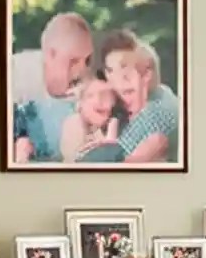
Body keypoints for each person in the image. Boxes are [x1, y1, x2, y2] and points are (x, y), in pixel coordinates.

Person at [12, 13, 94, 163]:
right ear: (50, 54)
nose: (82, 69)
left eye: (87, 60)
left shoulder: (90, 88)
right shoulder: (15, 75)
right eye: (74, 61)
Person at [96, 29, 179, 163]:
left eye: (126, 68)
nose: (118, 79)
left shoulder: (156, 114)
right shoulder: (163, 94)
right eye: (110, 71)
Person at [59, 78, 122, 162]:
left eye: (105, 95)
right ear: (80, 104)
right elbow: (74, 157)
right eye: (90, 96)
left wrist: (111, 129)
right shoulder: (73, 123)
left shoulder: (105, 129)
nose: (98, 100)